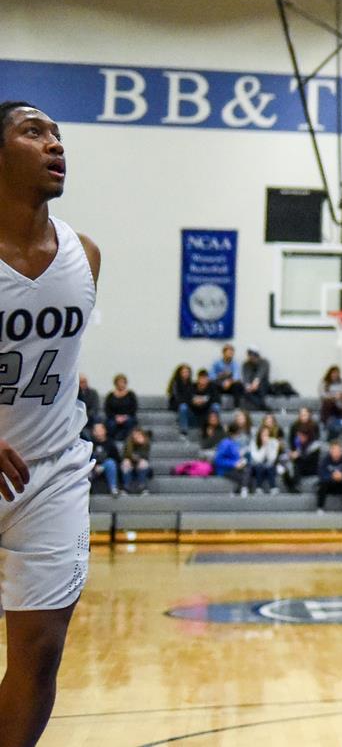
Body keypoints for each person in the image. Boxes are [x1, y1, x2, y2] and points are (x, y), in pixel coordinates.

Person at [0, 102, 101, 747]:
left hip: (51, 473)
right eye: (33, 132)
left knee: (39, 655)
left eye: (58, 135)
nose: (55, 144)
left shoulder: (85, 255)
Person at [315, 440, 342, 513]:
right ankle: (320, 507)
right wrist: (332, 476)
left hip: (340, 484)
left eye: (338, 451)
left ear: (341, 452)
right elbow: (321, 474)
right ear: (330, 451)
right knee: (322, 485)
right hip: (329, 485)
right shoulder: (325, 461)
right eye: (334, 450)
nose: (336, 453)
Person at [101, 375, 137, 444]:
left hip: (128, 416)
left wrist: (125, 417)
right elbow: (107, 409)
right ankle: (111, 443)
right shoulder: (110, 395)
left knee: (130, 422)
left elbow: (134, 408)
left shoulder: (131, 395)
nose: (121, 384)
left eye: (123, 382)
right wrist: (116, 417)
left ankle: (127, 443)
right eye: (119, 382)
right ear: (115, 383)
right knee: (111, 424)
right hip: (114, 417)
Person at [87, 423, 118, 496]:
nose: (98, 433)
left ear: (105, 431)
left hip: (106, 466)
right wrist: (94, 466)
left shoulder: (110, 443)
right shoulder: (89, 444)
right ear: (93, 432)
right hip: (92, 468)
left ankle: (113, 488)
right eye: (96, 431)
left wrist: (103, 466)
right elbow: (86, 459)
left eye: (100, 430)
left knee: (110, 463)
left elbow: (116, 459)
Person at [119, 428, 152, 495]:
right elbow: (125, 455)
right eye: (135, 434)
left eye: (139, 434)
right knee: (126, 462)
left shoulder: (146, 443)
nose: (137, 436)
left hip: (140, 466)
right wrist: (132, 457)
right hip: (130, 464)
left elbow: (145, 456)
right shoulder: (128, 442)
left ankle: (142, 487)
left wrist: (142, 445)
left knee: (143, 463)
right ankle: (126, 487)